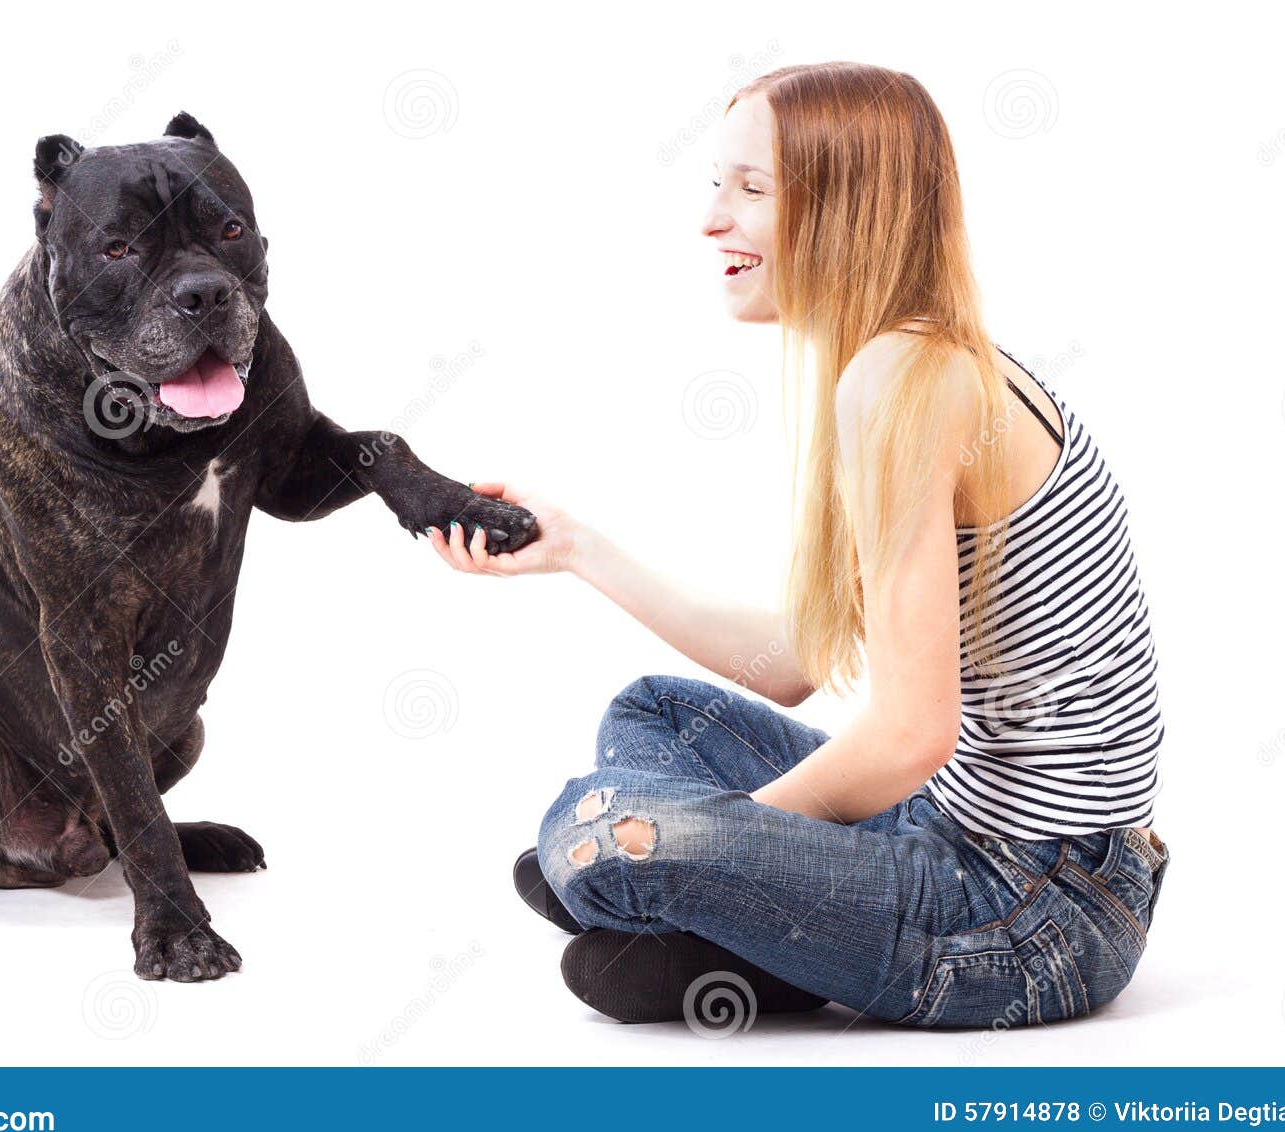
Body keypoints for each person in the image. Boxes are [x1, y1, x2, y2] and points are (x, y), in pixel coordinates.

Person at [426, 61, 1168, 1028]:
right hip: (954, 826)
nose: (712, 219)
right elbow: (794, 666)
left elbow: (910, 735)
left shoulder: (907, 380)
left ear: (847, 207)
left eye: (753, 189)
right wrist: (574, 547)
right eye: (717, 184)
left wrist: (715, 843)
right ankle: (732, 934)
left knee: (594, 835)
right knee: (654, 714)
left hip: (1038, 911)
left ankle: (717, 924)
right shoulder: (906, 359)